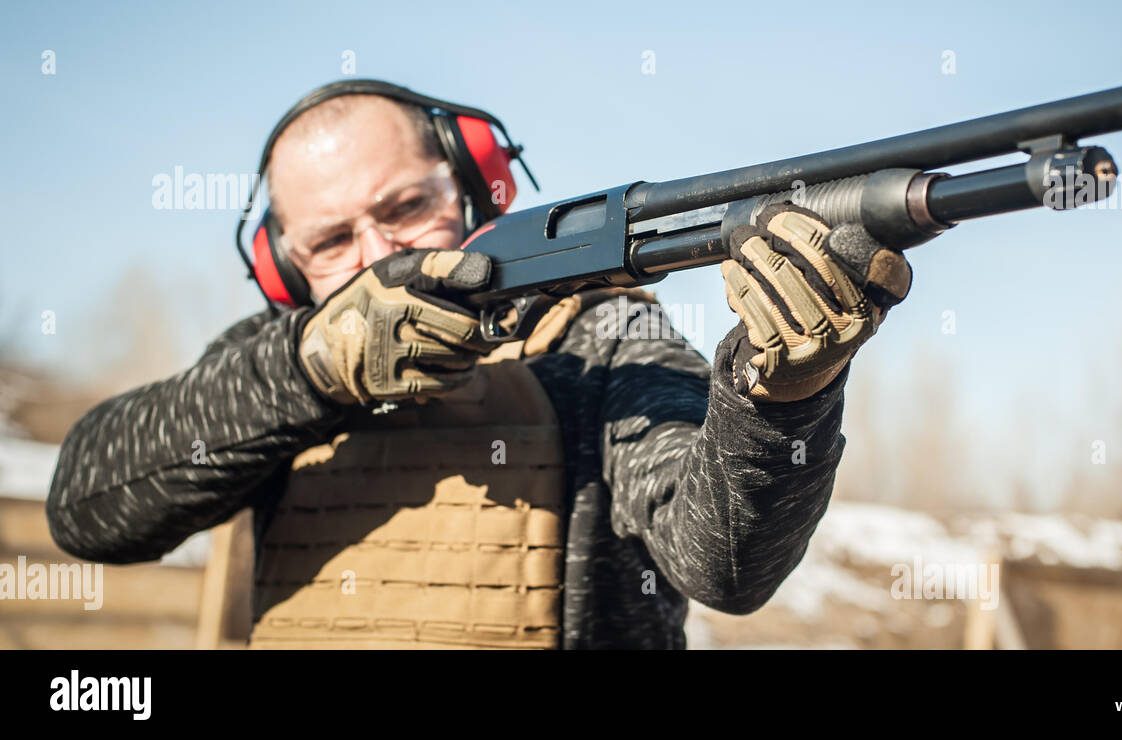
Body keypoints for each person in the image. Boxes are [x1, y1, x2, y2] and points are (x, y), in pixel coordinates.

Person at [45, 81, 914, 649]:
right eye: (332, 240)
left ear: (472, 187)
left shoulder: (600, 337)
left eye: (405, 207)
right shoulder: (265, 367)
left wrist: (781, 395)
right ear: (283, 267)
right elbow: (87, 509)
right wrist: (312, 370)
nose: (376, 253)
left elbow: (724, 564)